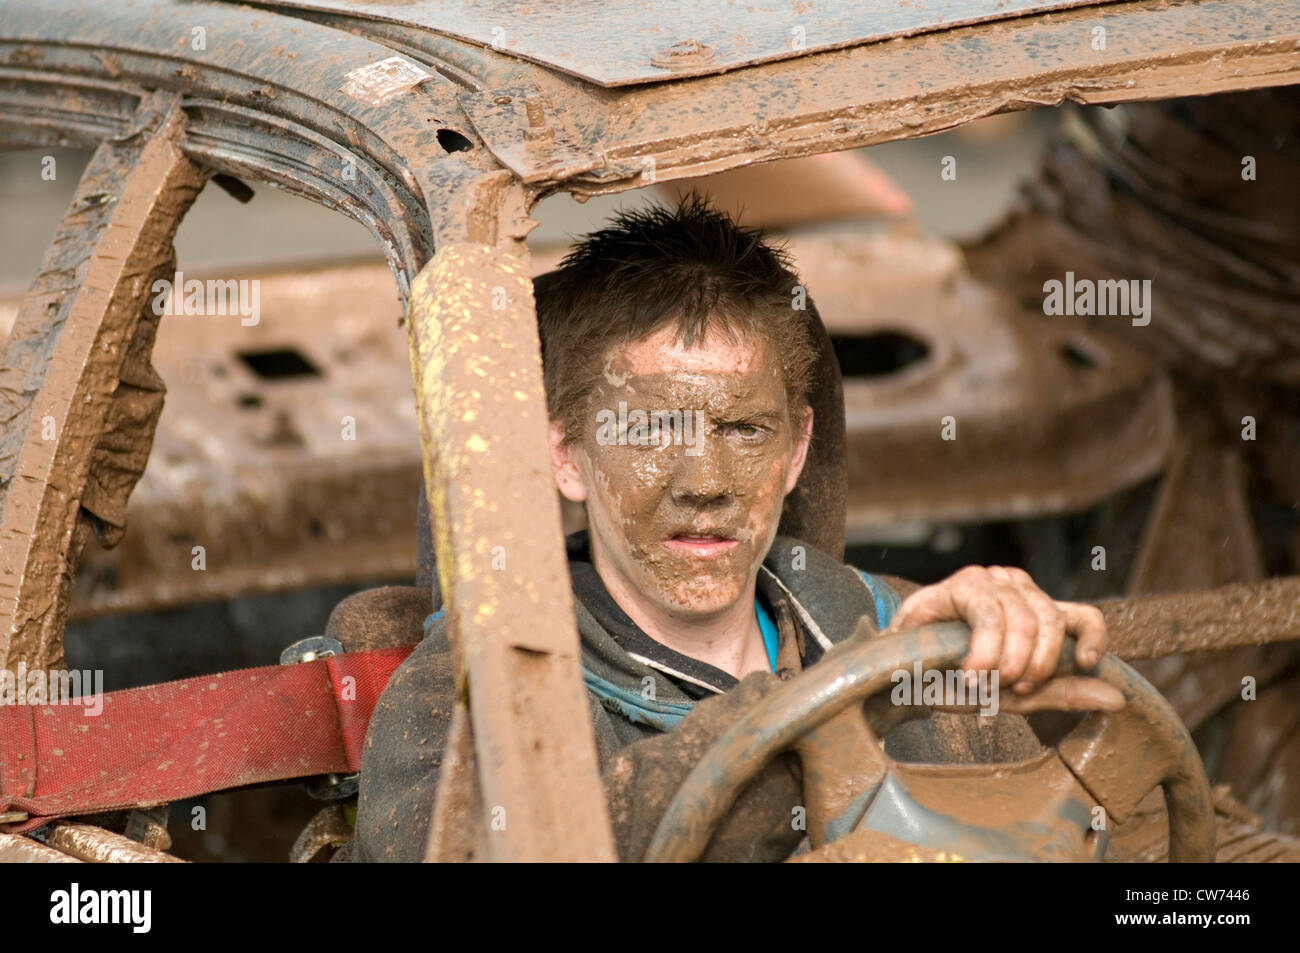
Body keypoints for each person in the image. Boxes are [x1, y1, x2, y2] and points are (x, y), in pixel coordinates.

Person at [351, 196, 1122, 862]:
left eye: (746, 430)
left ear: (795, 450)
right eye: (652, 430)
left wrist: (1009, 642)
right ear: (566, 455)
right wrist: (826, 723)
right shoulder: (470, 695)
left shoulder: (907, 633)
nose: (707, 484)